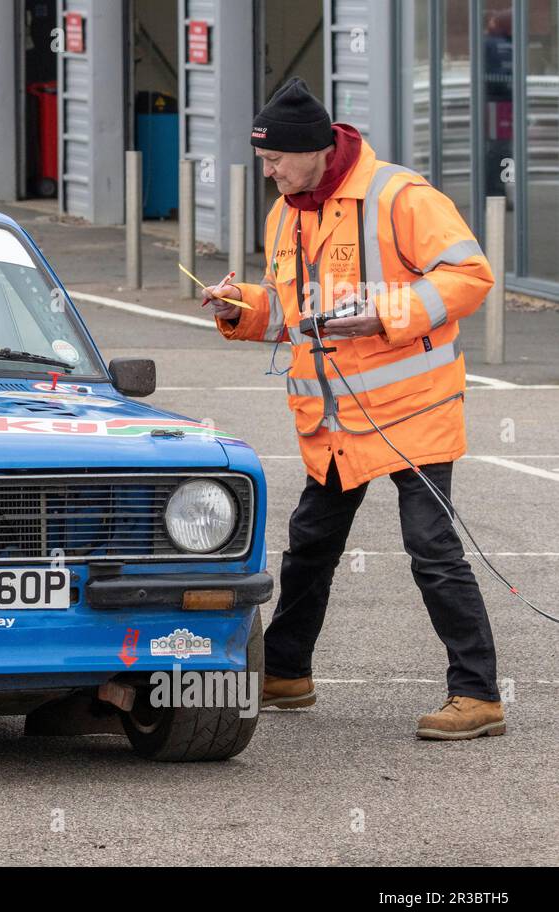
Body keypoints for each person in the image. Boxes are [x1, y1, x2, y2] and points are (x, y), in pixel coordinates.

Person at [202, 77, 503, 740]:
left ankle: (478, 694)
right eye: (263, 161)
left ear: (313, 150)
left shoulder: (398, 196)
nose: (269, 171)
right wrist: (242, 309)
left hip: (413, 409)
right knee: (310, 543)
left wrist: (382, 315)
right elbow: (292, 313)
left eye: (276, 159)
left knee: (430, 546)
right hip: (336, 420)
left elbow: (468, 275)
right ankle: (286, 672)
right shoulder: (286, 212)